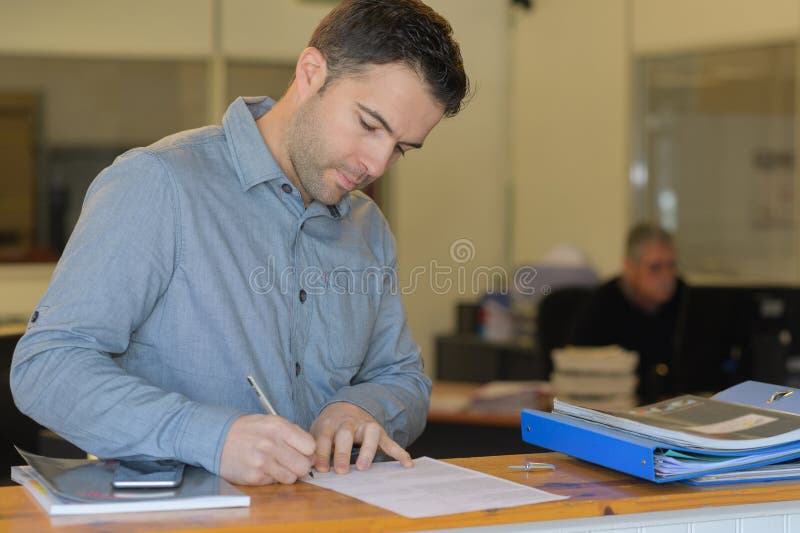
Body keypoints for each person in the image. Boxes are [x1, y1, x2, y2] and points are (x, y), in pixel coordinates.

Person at [10, 0, 468, 486]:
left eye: (400, 148)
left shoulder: (366, 226)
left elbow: (403, 377)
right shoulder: (157, 183)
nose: (376, 164)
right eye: (370, 125)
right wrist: (211, 436)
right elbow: (46, 368)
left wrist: (361, 408)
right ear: (312, 72)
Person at [570, 223, 686, 404]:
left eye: (671, 266)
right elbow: (579, 372)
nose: (667, 276)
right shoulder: (601, 306)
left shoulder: (684, 298)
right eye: (655, 268)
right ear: (629, 267)